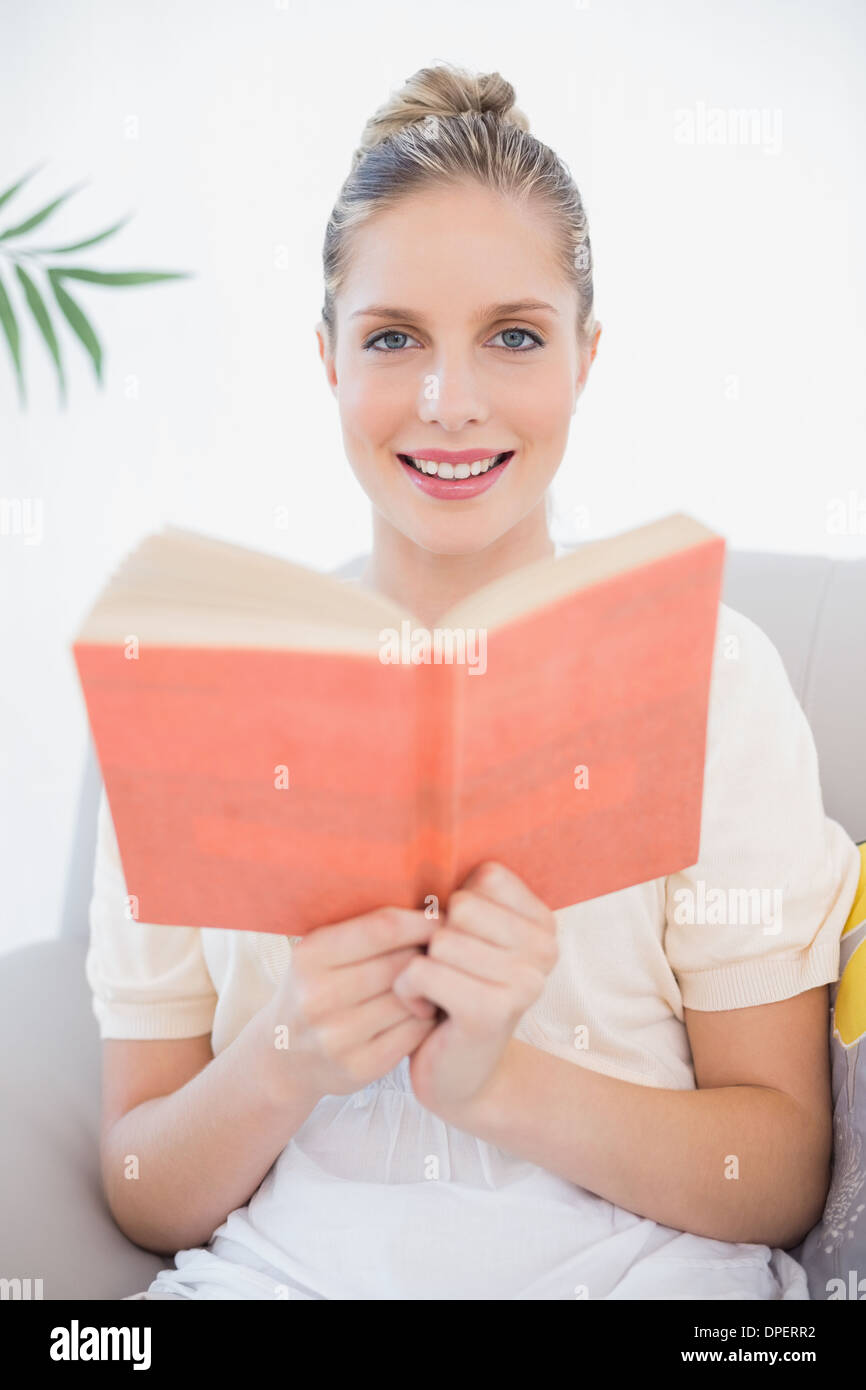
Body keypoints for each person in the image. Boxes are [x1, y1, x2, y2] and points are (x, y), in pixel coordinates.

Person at [89, 62, 861, 1301]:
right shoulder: (198, 696)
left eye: (512, 336)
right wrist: (288, 1052)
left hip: (643, 1277)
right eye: (394, 339)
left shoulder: (711, 678)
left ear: (585, 356)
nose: (449, 404)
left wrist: (497, 1081)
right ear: (326, 358)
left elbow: (773, 1171)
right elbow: (139, 1188)